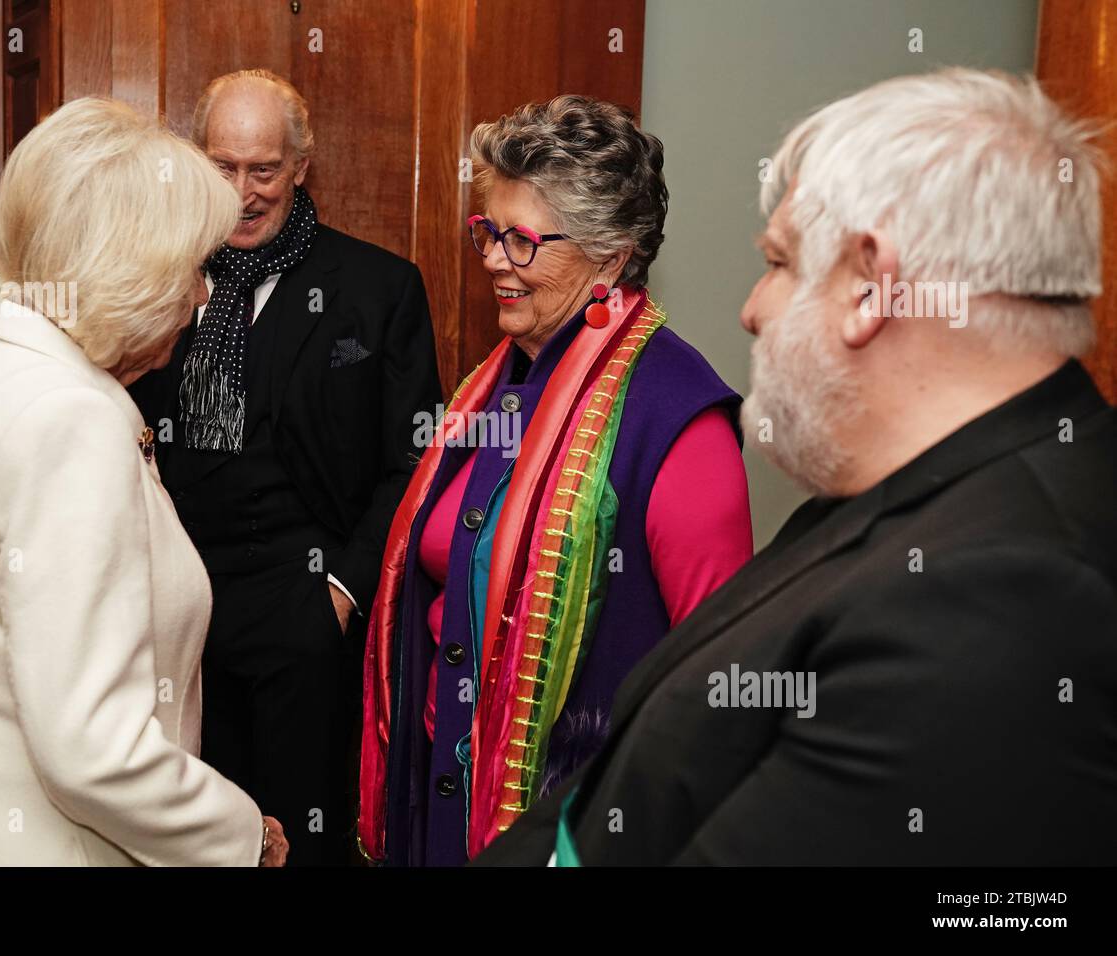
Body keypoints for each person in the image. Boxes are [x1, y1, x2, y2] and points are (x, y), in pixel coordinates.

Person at [476, 69, 1117, 866]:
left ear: (872, 288)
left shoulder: (1004, 590)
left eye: (779, 264)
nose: (753, 308)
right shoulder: (899, 485)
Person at [0, 97, 286, 866]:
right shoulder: (70, 419)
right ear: (134, 272)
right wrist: (239, 835)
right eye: (192, 268)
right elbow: (92, 749)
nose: (202, 295)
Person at [358, 95, 753, 866]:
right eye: (488, 232)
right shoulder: (495, 384)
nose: (495, 260)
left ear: (611, 255)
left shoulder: (677, 414)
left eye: (522, 241)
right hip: (443, 797)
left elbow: (720, 676)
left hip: (577, 829)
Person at [128, 69, 442, 866]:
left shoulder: (379, 289)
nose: (242, 191)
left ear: (301, 165)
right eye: (222, 167)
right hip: (175, 608)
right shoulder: (155, 281)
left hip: (306, 611)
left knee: (304, 839)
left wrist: (339, 592)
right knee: (186, 836)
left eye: (263, 169)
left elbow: (415, 458)